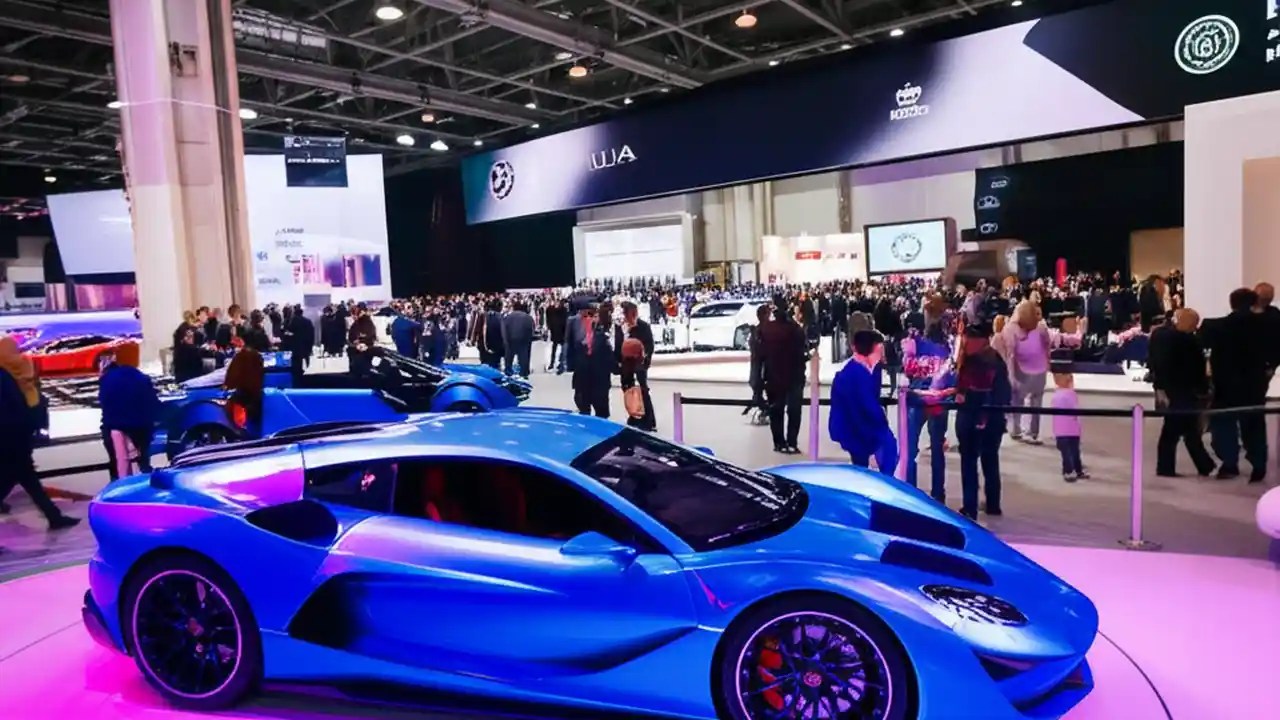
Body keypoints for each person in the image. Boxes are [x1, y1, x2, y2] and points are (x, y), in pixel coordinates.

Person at [0, 346, 79, 529]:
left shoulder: (10, 376)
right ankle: (54, 516)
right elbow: (13, 411)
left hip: (14, 439)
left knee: (23, 479)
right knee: (23, 478)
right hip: (12, 439)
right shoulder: (4, 377)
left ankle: (54, 516)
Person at [1200, 288, 1272, 482]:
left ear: (1232, 303)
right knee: (1254, 425)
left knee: (1224, 423)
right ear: (1254, 303)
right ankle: (1258, 464)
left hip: (1225, 384)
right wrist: (1269, 367)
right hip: (1254, 384)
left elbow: (1200, 350)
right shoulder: (1266, 327)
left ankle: (1229, 463)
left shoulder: (1215, 326)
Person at [954, 323, 1012, 520]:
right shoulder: (995, 360)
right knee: (990, 460)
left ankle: (970, 506)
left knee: (969, 462)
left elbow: (963, 389)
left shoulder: (969, 362)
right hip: (992, 418)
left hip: (971, 417)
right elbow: (1004, 393)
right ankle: (993, 504)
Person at [1148, 308, 1215, 477]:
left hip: (1170, 388)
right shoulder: (1188, 341)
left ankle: (1203, 465)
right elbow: (1197, 368)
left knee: (1186, 429)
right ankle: (1168, 467)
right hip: (1183, 390)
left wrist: (1159, 387)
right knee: (1175, 430)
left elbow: (1156, 363)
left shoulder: (1159, 335)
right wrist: (1203, 388)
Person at [830, 330, 897, 472]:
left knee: (869, 463)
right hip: (859, 428)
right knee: (885, 456)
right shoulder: (854, 374)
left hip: (862, 427)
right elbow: (866, 406)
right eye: (880, 348)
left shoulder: (869, 369)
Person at [98, 351, 161, 479]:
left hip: (116, 426)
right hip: (142, 426)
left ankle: (119, 482)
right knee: (143, 459)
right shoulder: (141, 377)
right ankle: (144, 476)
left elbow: (105, 404)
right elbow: (153, 402)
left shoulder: (106, 379)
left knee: (117, 461)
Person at [759, 300, 807, 454]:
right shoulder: (796, 330)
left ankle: (779, 442)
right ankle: (792, 442)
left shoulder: (766, 330)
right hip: (794, 376)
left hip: (773, 376)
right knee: (794, 411)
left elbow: (761, 355)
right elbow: (802, 352)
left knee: (776, 411)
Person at [1004, 300, 1050, 444]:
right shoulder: (1041, 327)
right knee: (1036, 402)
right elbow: (1047, 345)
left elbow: (1010, 352)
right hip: (1040, 368)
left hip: (1021, 368)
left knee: (1017, 400)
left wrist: (1010, 373)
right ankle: (1033, 432)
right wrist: (1047, 362)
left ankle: (1016, 429)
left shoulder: (1011, 328)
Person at [614, 301, 656, 431]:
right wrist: (618, 361)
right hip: (625, 365)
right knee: (628, 390)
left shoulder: (643, 326)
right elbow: (618, 345)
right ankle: (634, 416)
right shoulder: (620, 327)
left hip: (639, 363)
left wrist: (645, 360)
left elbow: (649, 345)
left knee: (642, 391)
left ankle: (648, 419)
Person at [570, 305, 613, 417]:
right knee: (587, 411)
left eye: (593, 316)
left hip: (596, 381)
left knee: (599, 412)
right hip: (586, 380)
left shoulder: (603, 338)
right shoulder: (583, 337)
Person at [1049, 371, 1088, 482]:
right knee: (1075, 451)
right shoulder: (1071, 394)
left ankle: (1068, 471)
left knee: (1065, 453)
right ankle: (1077, 470)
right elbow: (1076, 411)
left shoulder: (1055, 395)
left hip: (1060, 430)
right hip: (1073, 429)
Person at [501, 301, 535, 378]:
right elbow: (532, 330)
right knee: (523, 358)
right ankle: (524, 373)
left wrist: (505, 341)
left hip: (510, 340)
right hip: (523, 341)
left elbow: (504, 329)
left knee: (509, 358)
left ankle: (508, 373)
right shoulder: (528, 317)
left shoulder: (508, 317)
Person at [346, 303, 377, 376]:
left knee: (361, 371)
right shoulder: (357, 322)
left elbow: (370, 336)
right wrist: (353, 340)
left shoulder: (367, 322)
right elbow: (352, 334)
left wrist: (360, 341)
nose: (356, 314)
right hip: (356, 350)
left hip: (363, 350)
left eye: (358, 312)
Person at [545, 299, 568, 374]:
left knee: (555, 348)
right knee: (561, 349)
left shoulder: (553, 311)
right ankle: (559, 364)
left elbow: (549, 319)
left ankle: (554, 363)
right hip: (560, 332)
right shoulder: (563, 311)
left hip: (556, 332)